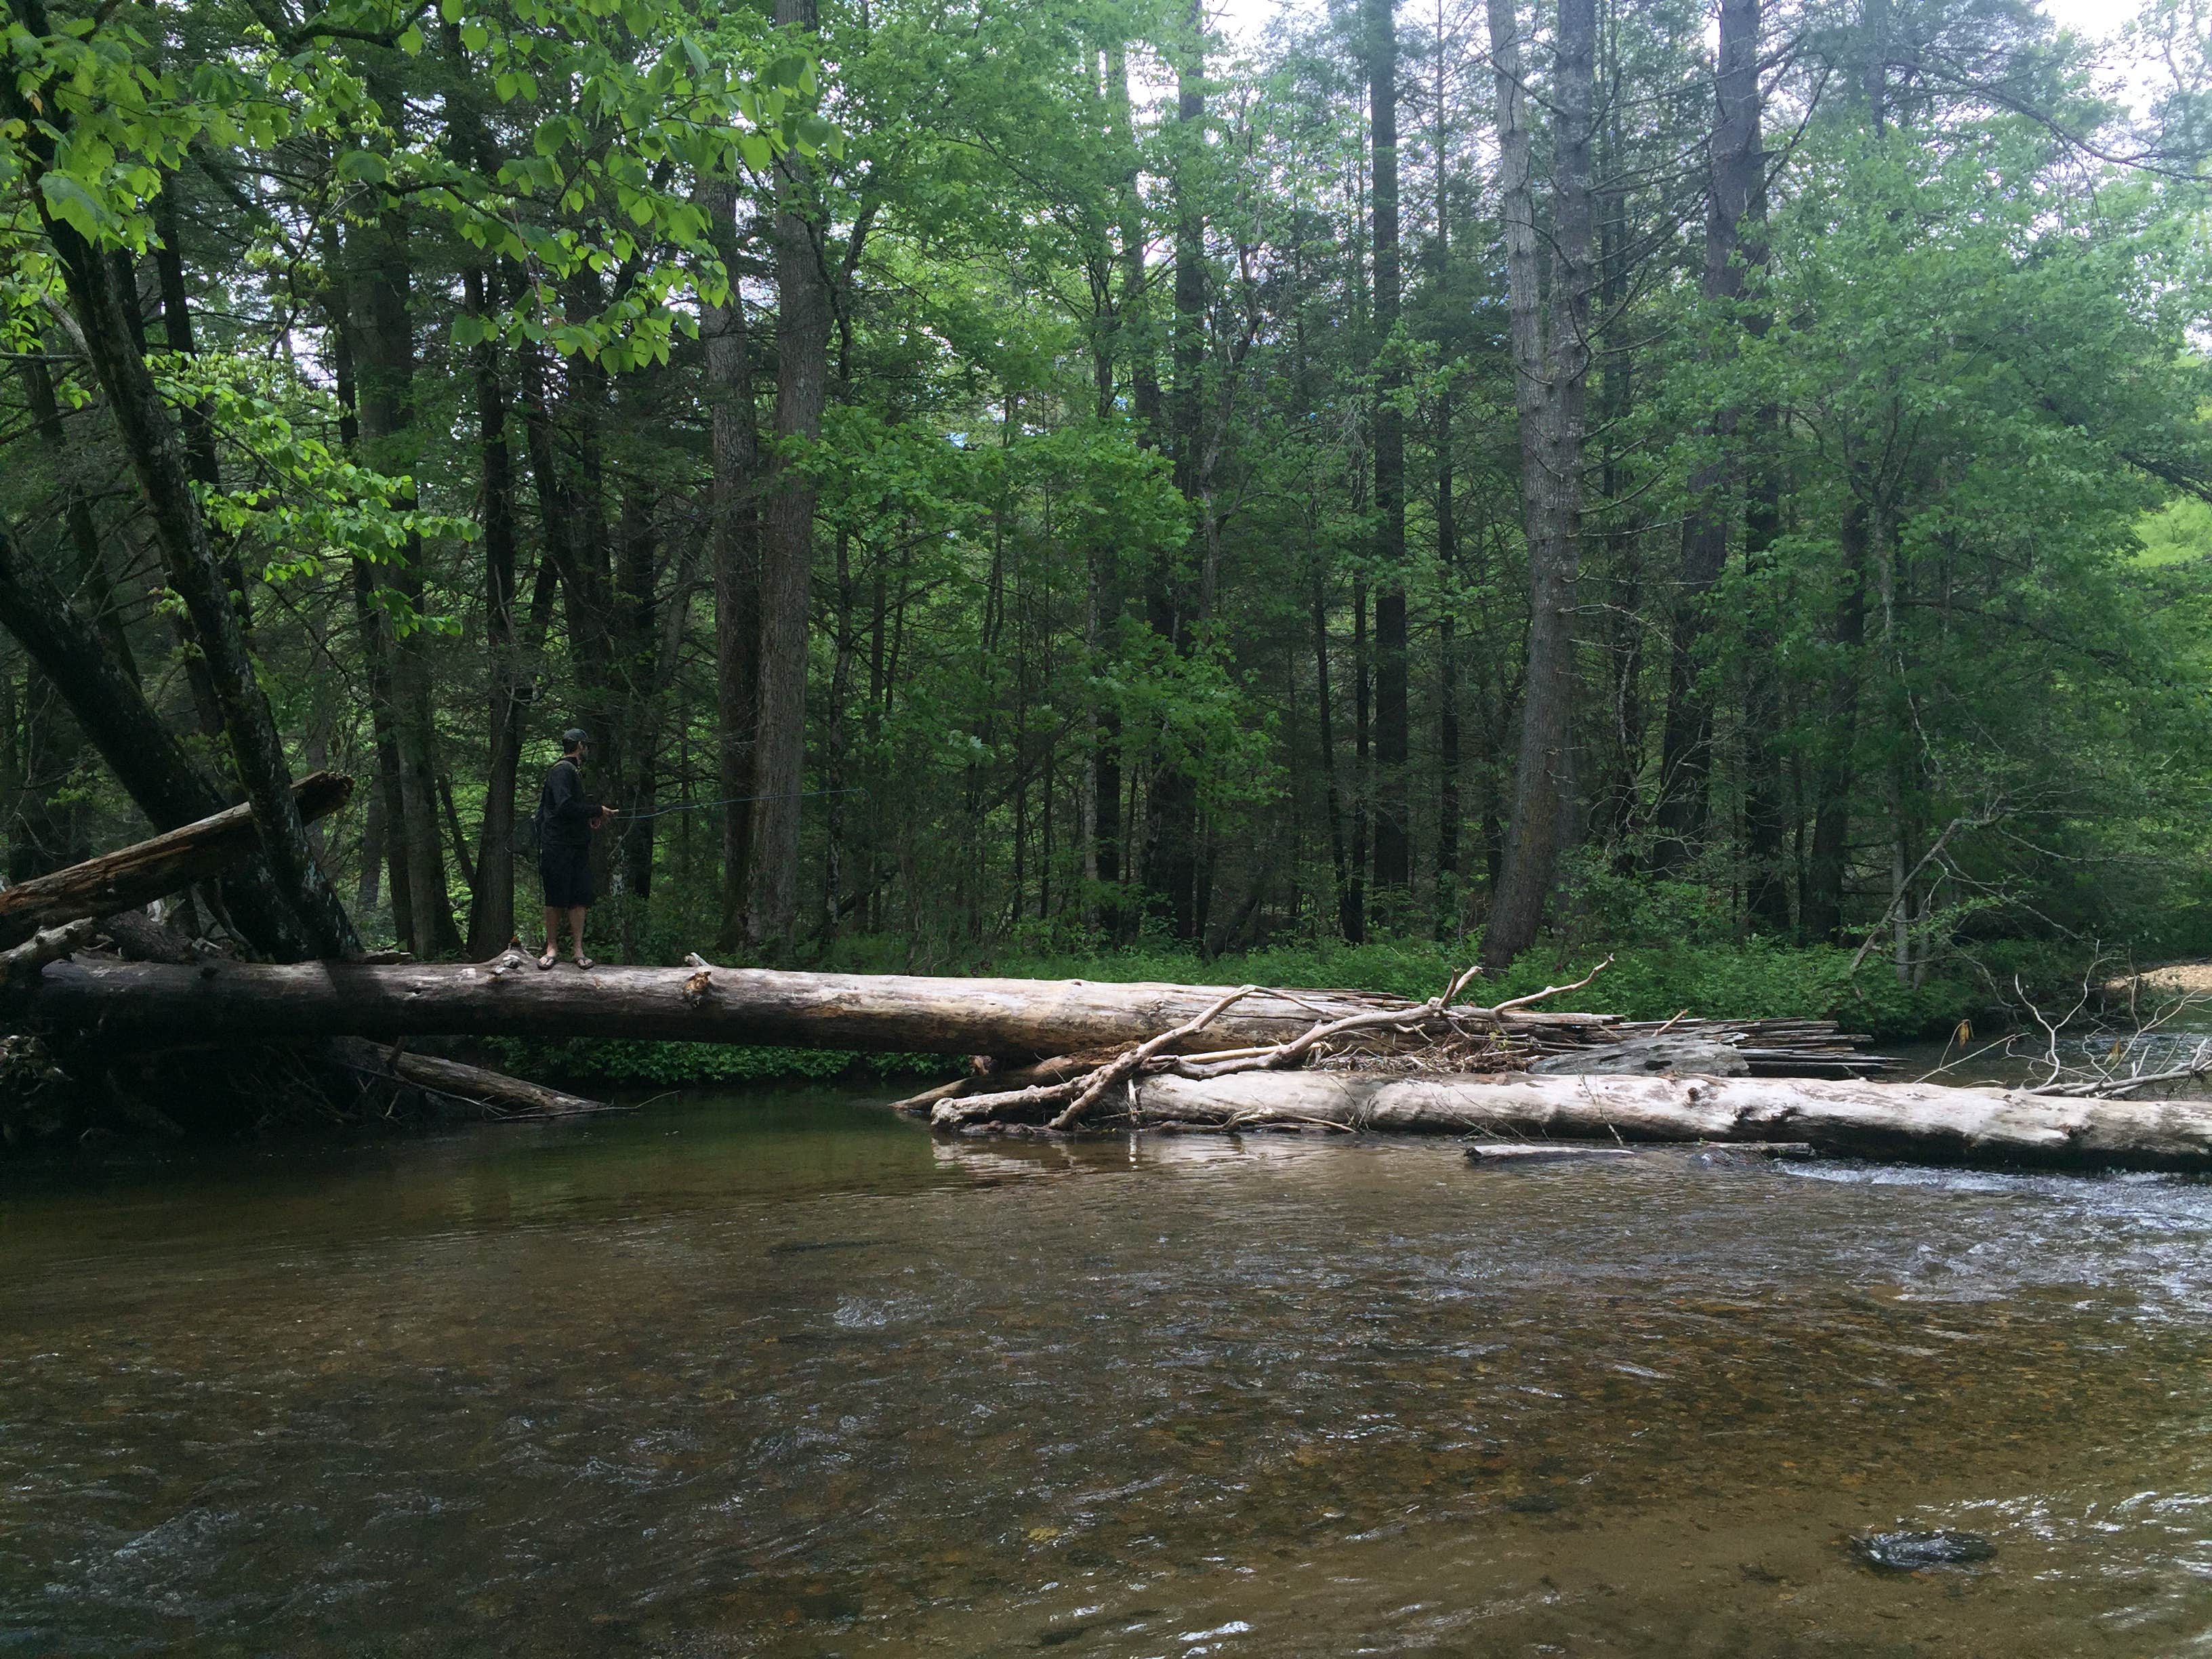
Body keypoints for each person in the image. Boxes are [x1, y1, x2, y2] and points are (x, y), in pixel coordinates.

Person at [537, 729, 616, 969]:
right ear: (580, 746)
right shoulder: (562, 771)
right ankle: (551, 949)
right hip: (556, 845)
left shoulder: (572, 771)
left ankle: (578, 950)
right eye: (587, 745)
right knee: (555, 898)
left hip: (577, 845)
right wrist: (597, 810)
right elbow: (564, 807)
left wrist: (591, 818)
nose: (588, 749)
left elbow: (573, 809)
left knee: (579, 898)